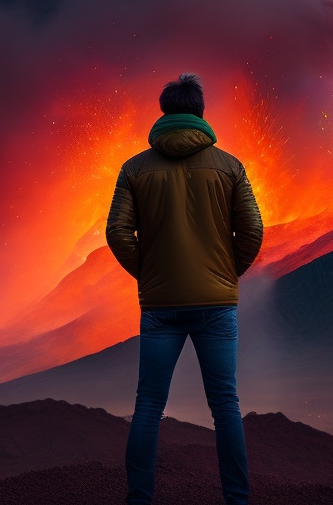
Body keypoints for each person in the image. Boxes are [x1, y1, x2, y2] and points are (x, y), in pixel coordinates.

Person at [106, 73, 264, 505]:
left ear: (163, 113)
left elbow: (118, 232)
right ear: (201, 113)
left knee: (148, 406)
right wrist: (227, 274)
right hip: (216, 304)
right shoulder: (230, 166)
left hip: (161, 305)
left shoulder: (135, 168)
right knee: (226, 406)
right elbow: (251, 229)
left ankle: (139, 499)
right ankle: (237, 499)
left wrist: (151, 275)